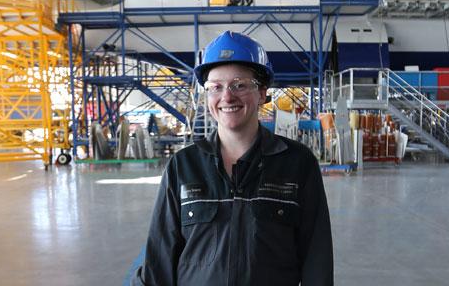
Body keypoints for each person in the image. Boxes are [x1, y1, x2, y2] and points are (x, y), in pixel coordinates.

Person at [132, 31, 333, 285]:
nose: (227, 96)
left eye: (239, 85)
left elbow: (317, 259)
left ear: (262, 93)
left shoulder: (298, 163)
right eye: (215, 87)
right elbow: (159, 261)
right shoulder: (183, 166)